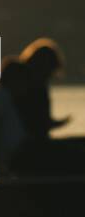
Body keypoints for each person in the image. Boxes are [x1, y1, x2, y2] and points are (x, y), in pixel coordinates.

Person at [11, 38, 85, 176]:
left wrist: (55, 122)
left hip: (34, 149)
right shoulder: (33, 89)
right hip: (33, 152)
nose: (50, 76)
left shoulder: (25, 87)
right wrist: (55, 123)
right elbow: (37, 125)